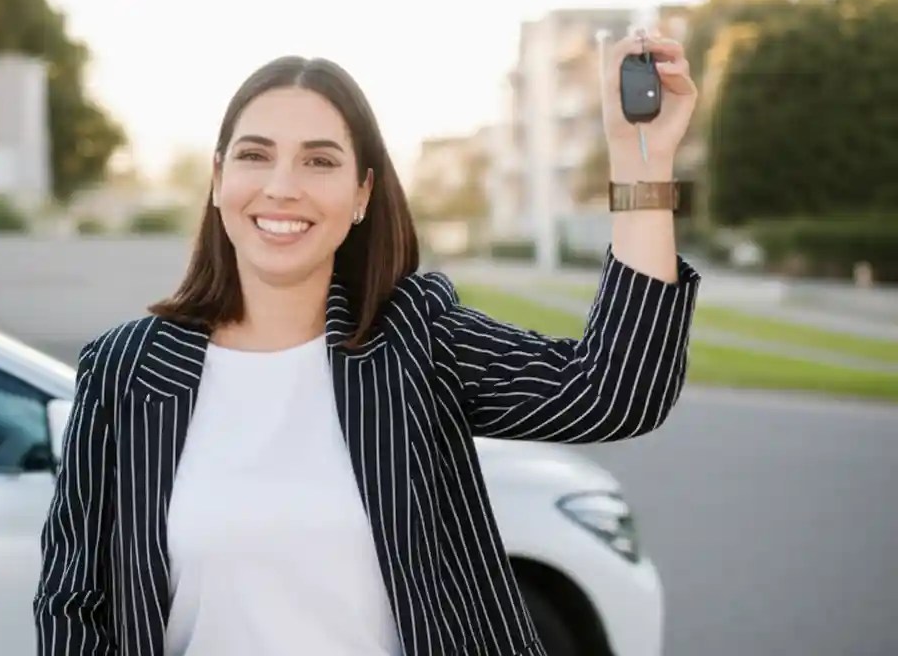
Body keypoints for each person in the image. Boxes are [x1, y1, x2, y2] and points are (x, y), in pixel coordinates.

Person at [34, 33, 702, 656]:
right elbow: (74, 606)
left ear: (362, 194)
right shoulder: (127, 371)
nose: (282, 185)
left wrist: (640, 164)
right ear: (218, 179)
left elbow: (617, 390)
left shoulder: (416, 341)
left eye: (319, 160)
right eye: (255, 154)